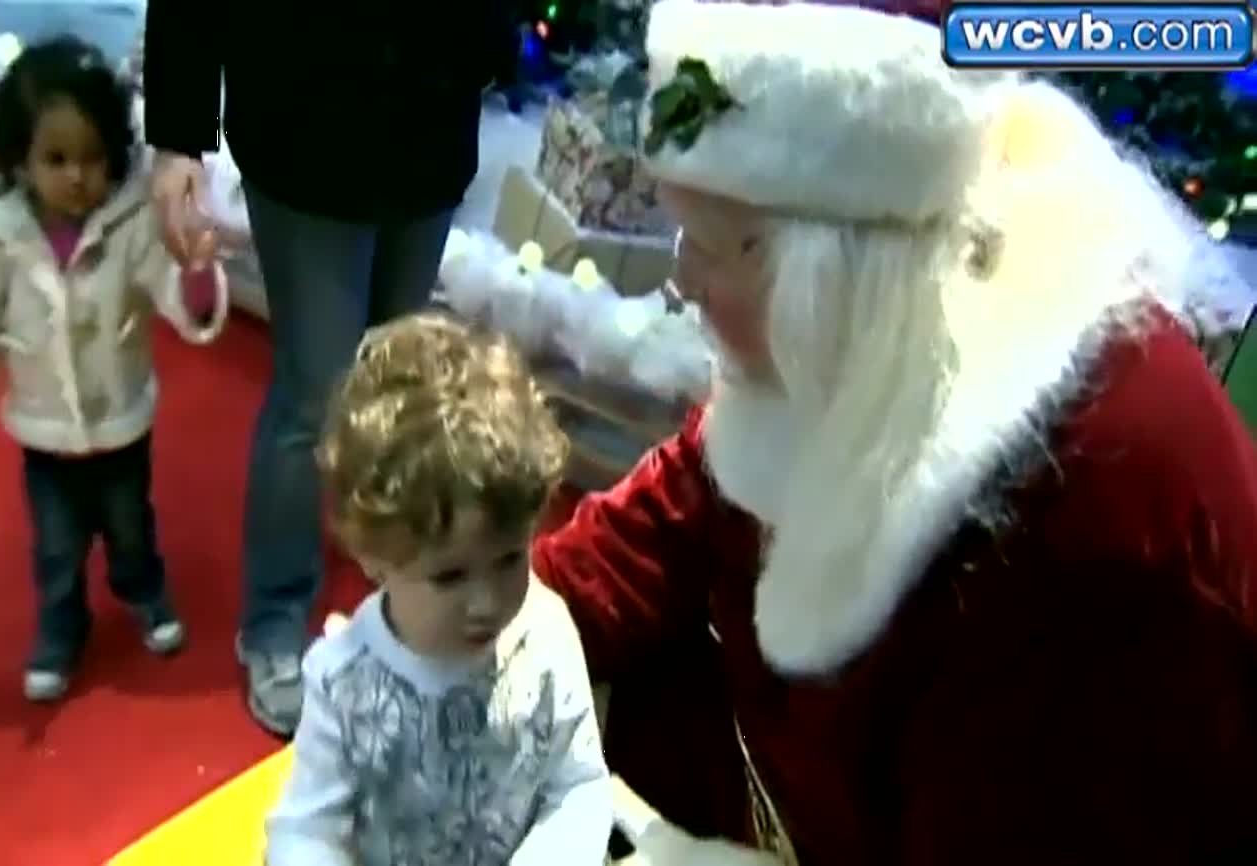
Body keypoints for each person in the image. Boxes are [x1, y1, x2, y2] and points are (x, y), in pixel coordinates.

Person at [531, 3, 1257, 864]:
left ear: (824, 270)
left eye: (714, 247)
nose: (682, 279)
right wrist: (508, 628)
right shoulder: (868, 322)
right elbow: (698, 489)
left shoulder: (1078, 522)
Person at [142, 1, 518, 736]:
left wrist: (489, 47)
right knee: (316, 395)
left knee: (401, 387)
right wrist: (178, 134)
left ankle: (402, 584)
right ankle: (275, 618)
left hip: (432, 114)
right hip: (304, 118)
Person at [265, 312, 611, 865]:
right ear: (374, 557)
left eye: (509, 559)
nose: (487, 602)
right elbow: (305, 830)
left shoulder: (547, 632)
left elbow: (579, 785)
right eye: (450, 576)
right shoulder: (344, 680)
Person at [0, 35, 227, 702]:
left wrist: (194, 276)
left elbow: (174, 295)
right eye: (56, 159)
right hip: (44, 433)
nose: (77, 177)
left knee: (130, 525)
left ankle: (143, 589)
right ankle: (61, 626)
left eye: (93, 159)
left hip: (121, 421)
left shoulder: (129, 227)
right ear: (20, 158)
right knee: (56, 546)